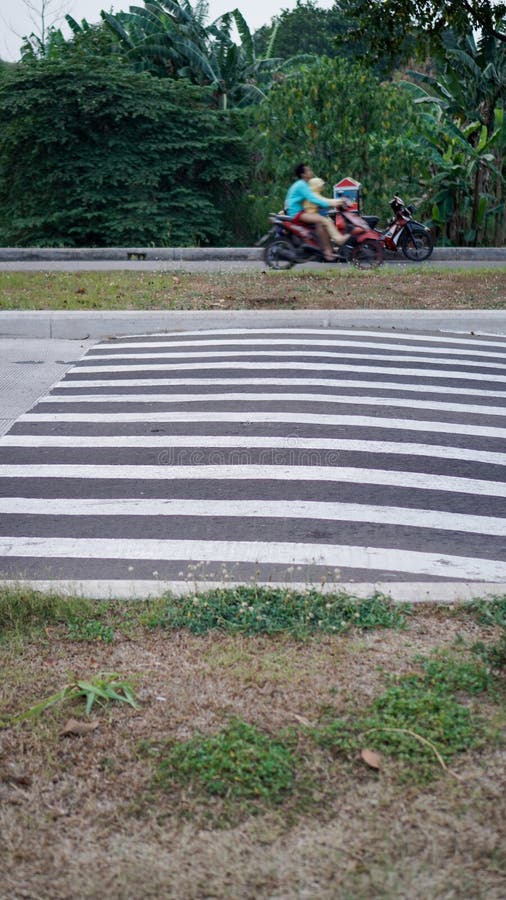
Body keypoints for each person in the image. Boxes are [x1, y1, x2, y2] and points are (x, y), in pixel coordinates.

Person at [284, 163, 346, 261]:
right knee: (323, 220)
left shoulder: (302, 184)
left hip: (297, 211)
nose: (310, 172)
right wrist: (332, 204)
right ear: (303, 174)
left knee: (322, 224)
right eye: (308, 171)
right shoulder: (302, 185)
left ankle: (329, 250)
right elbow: (313, 199)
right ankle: (332, 246)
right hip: (296, 213)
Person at [304, 177, 349, 249]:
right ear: (316, 186)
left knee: (330, 220)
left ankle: (331, 245)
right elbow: (325, 201)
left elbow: (323, 203)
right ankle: (339, 240)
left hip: (314, 214)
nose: (323, 187)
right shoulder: (313, 194)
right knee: (328, 222)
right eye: (321, 185)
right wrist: (340, 201)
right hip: (311, 216)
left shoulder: (314, 193)